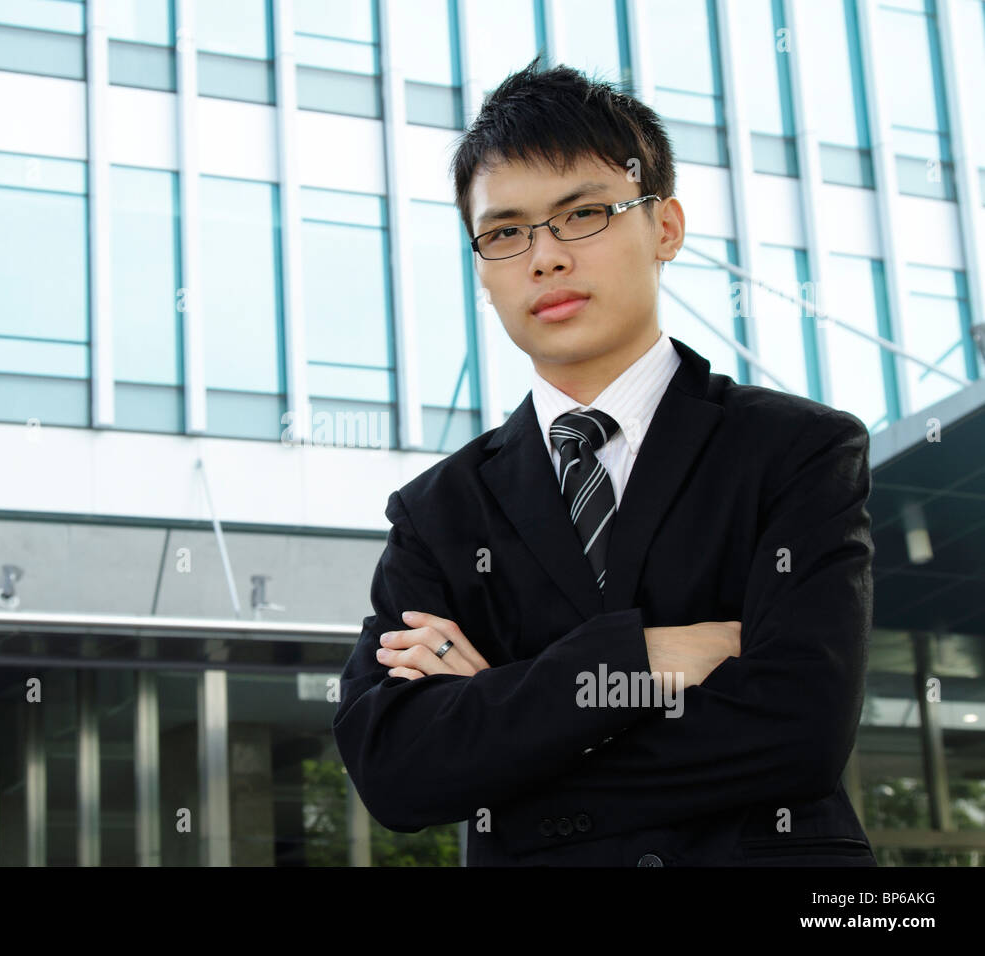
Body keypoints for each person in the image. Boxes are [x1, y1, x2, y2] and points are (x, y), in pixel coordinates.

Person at [331, 59, 876, 866]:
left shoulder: (798, 451)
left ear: (664, 227)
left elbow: (799, 728)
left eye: (582, 214)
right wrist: (640, 660)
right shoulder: (438, 512)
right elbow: (395, 771)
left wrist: (505, 727)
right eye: (506, 231)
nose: (543, 258)